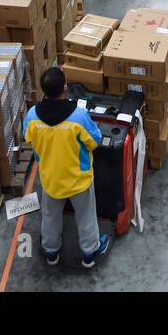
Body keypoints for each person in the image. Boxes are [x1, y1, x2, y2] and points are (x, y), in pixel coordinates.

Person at [22, 67, 111, 268]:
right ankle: (90, 252)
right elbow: (95, 140)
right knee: (86, 216)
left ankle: (51, 251)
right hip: (78, 180)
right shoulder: (78, 117)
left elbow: (28, 138)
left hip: (50, 179)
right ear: (65, 87)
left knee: (50, 216)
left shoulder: (32, 116)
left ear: (43, 90)